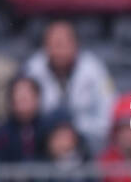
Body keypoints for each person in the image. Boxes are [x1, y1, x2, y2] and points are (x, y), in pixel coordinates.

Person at [22, 18, 115, 146]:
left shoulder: (95, 69)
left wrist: (78, 130)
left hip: (88, 138)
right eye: (54, 43)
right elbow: (25, 110)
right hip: (43, 140)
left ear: (76, 44)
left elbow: (109, 107)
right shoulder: (33, 69)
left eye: (63, 43)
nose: (59, 49)